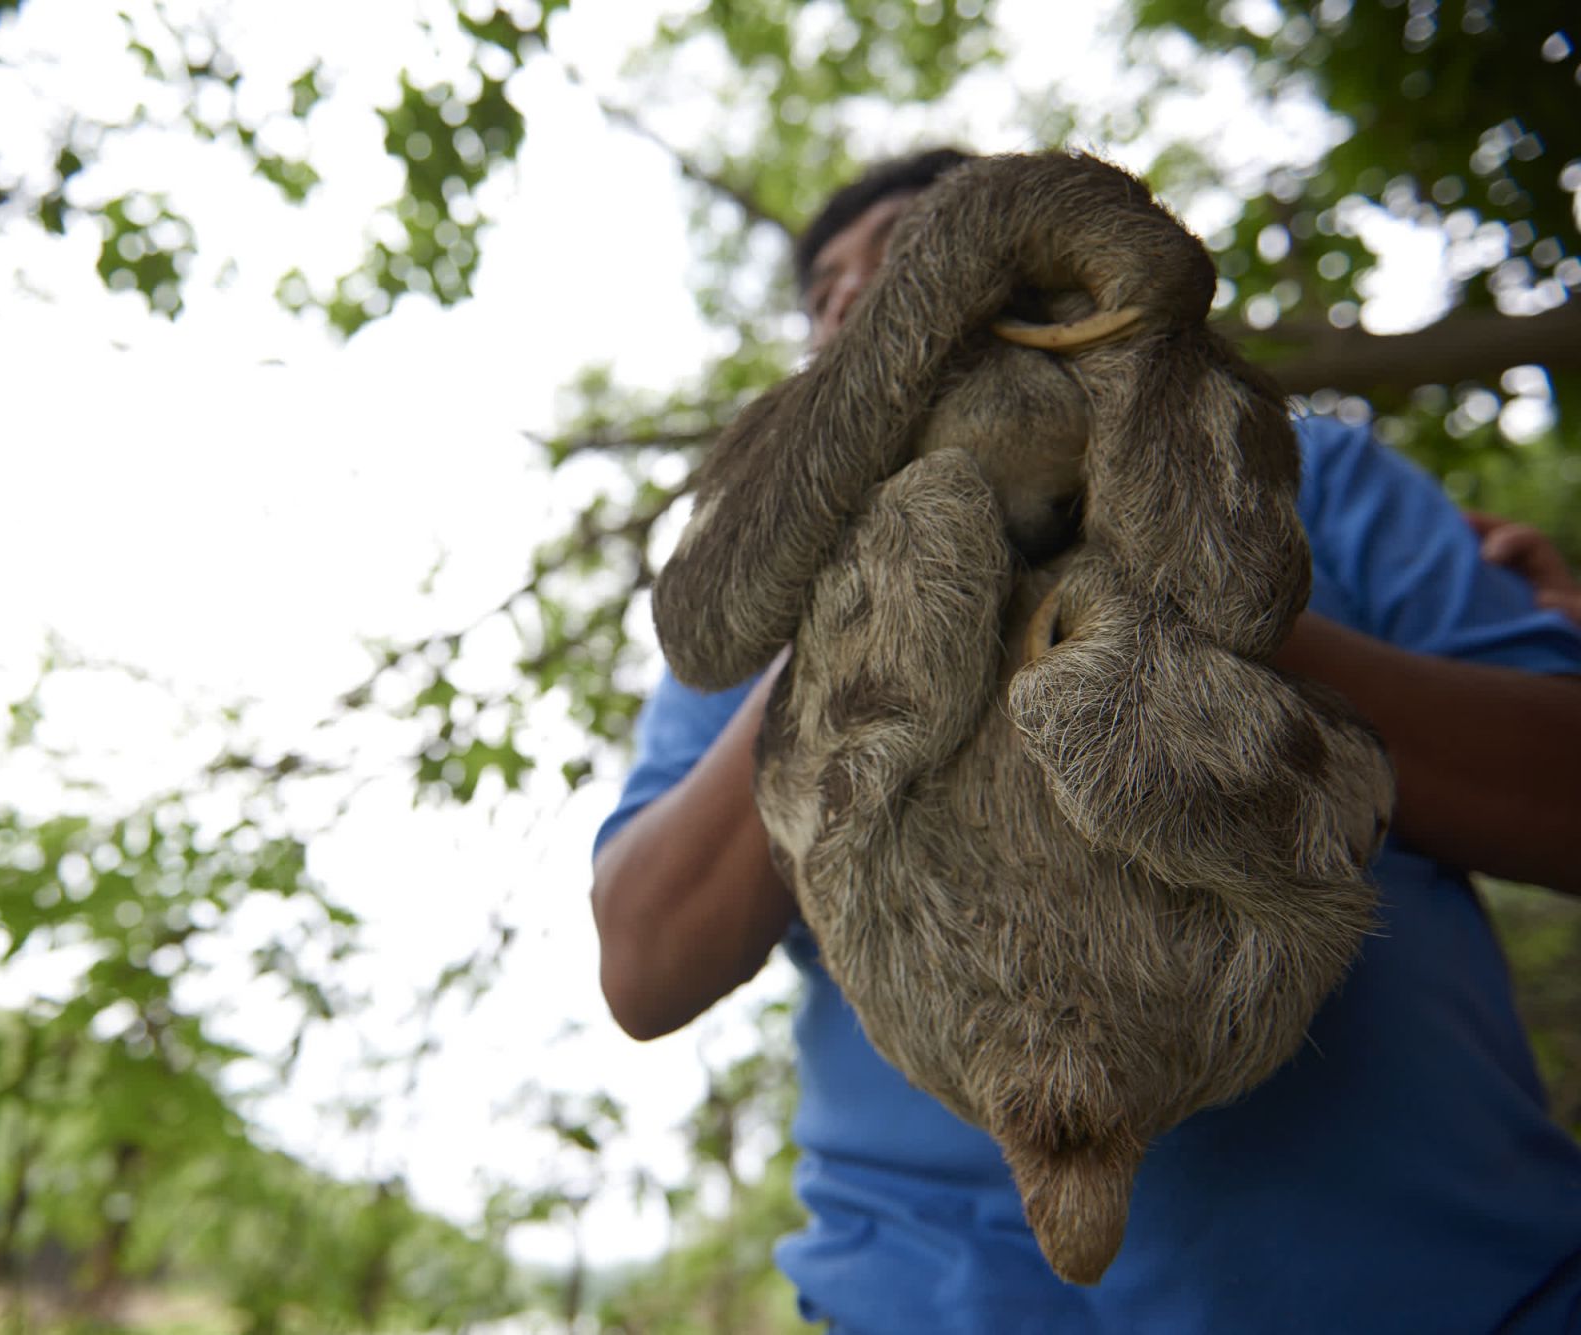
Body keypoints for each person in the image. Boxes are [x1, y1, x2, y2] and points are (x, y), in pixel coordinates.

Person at [590, 148, 1581, 1333]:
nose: (850, 288)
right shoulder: (755, 631)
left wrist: (1166, 570)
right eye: (822, 294)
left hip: (1440, 1286)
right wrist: (851, 614)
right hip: (930, 1296)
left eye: (899, 246)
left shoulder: (1320, 473)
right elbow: (643, 965)